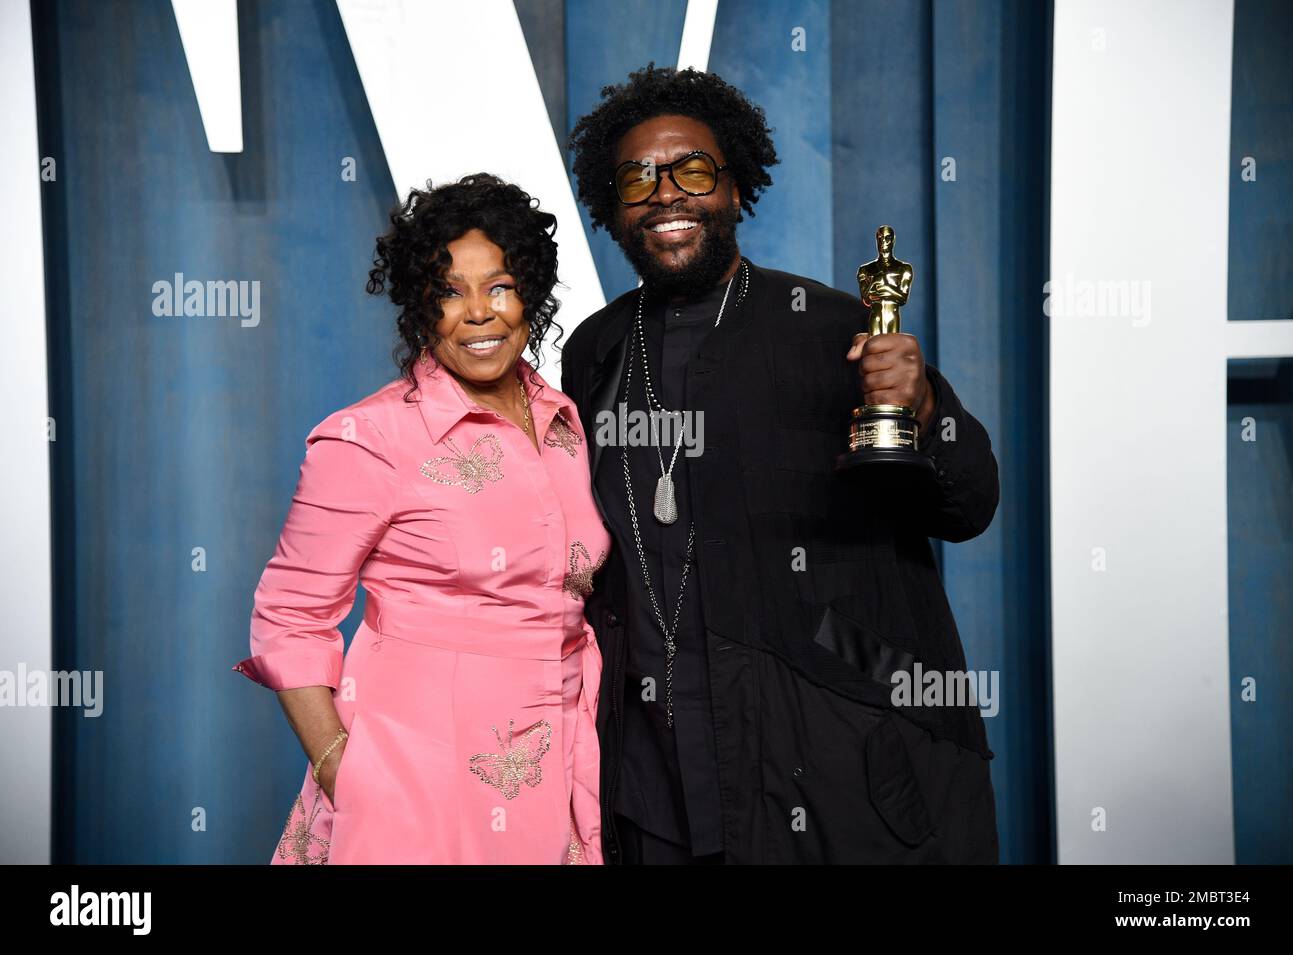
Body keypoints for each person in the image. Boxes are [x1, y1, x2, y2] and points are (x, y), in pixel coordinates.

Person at [563, 64, 1000, 864]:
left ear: (735, 189)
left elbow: (969, 505)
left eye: (692, 170)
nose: (665, 194)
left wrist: (928, 407)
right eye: (637, 177)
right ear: (610, 205)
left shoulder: (834, 328)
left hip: (833, 758)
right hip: (652, 772)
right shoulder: (594, 351)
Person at [233, 173, 606, 864]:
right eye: (448, 292)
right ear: (418, 307)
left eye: (498, 286)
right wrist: (342, 764)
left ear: (530, 291)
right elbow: (287, 613)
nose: (479, 314)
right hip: (417, 776)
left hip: (560, 761)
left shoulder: (566, 421)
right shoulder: (369, 438)